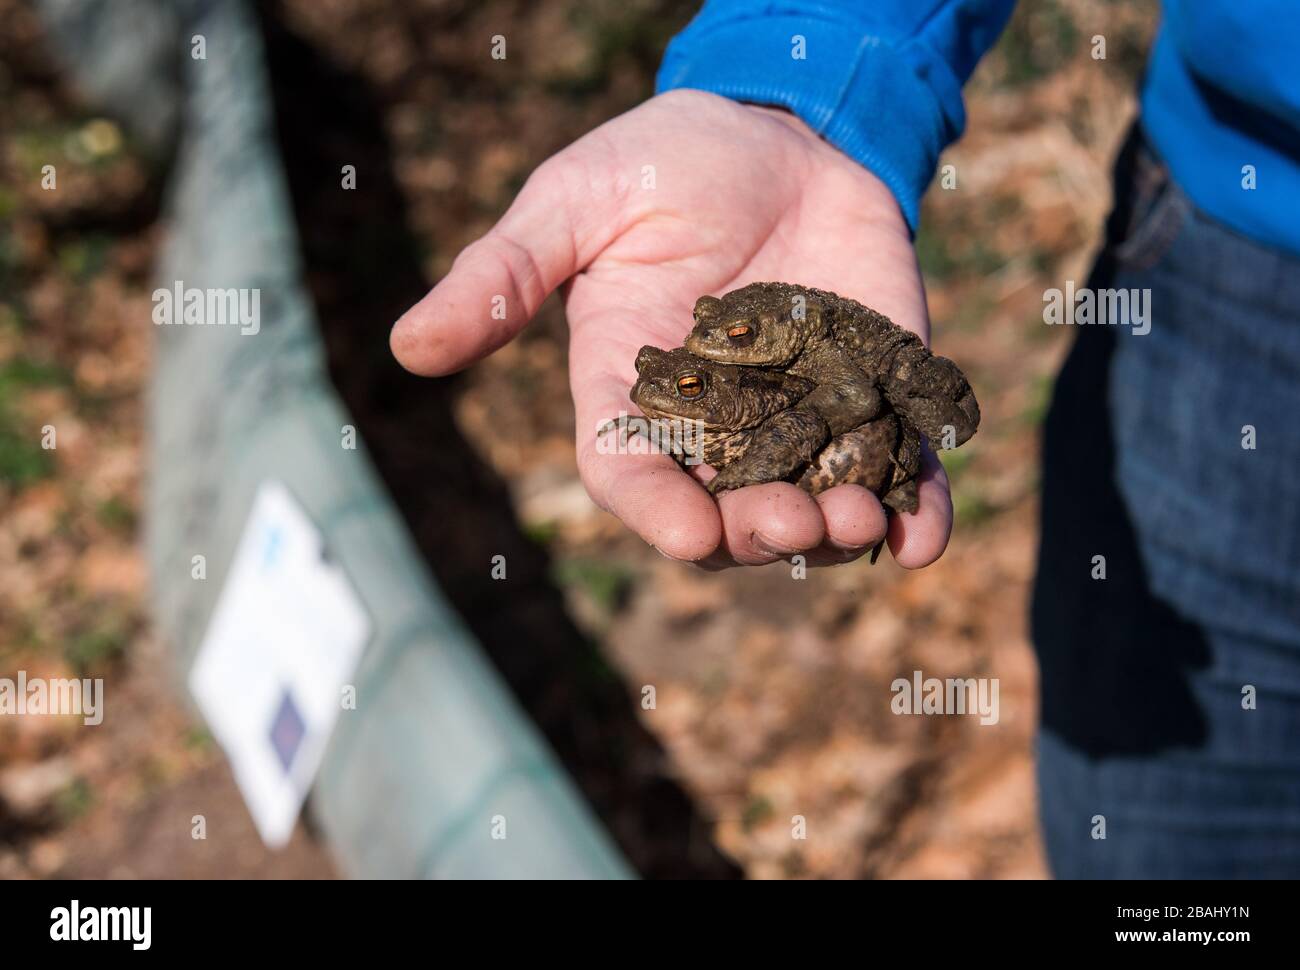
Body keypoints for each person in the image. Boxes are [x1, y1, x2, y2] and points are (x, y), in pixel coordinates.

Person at [391, 2, 1300, 877]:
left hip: (877, 369)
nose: (716, 344)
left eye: (730, 346)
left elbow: (854, 392)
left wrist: (807, 436)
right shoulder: (752, 334)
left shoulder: (817, 361)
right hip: (1243, 220)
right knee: (1159, 800)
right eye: (717, 336)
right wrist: (807, 69)